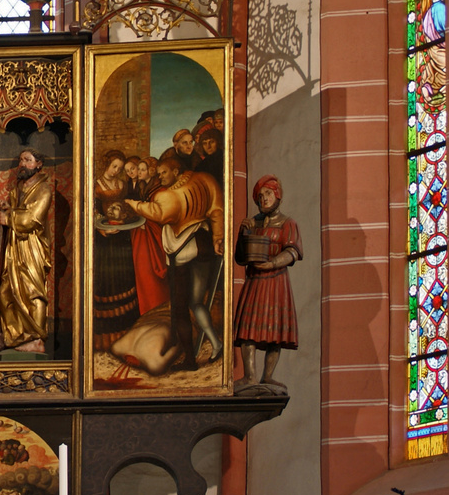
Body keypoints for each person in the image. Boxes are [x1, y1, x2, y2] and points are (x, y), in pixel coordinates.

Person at [122, 152, 225, 370]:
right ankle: (216, 344)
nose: (160, 177)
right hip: (204, 246)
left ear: (176, 171)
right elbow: (217, 210)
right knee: (196, 302)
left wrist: (133, 204)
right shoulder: (206, 180)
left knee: (179, 308)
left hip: (183, 252)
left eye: (164, 173)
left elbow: (160, 213)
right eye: (158, 174)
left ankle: (189, 359)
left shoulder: (171, 194)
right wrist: (217, 237)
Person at [234, 174, 303, 390]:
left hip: (276, 281)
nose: (264, 199)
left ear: (277, 195)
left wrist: (272, 264)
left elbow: (293, 251)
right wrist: (241, 235)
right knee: (248, 328)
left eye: (268, 194)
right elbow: (239, 258)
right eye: (260, 196)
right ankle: (249, 376)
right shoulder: (252, 223)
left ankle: (268, 376)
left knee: (275, 330)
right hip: (255, 280)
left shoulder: (287, 223)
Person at [0, 148, 53, 353]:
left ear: (39, 164)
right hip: (15, 247)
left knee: (32, 292)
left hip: (32, 247)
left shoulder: (44, 189)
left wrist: (9, 218)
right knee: (6, 291)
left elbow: (33, 218)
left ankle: (36, 337)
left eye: (28, 160)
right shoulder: (17, 190)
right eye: (21, 160)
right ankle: (17, 336)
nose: (23, 164)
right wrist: (8, 209)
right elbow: (20, 212)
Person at [91, 149, 139, 349]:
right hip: (104, 237)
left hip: (122, 235)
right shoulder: (96, 184)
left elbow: (127, 207)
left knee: (124, 278)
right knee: (106, 279)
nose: (116, 171)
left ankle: (127, 333)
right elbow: (92, 209)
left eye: (119, 168)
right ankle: (106, 338)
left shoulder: (122, 184)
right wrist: (100, 230)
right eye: (114, 167)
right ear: (107, 165)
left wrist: (126, 218)